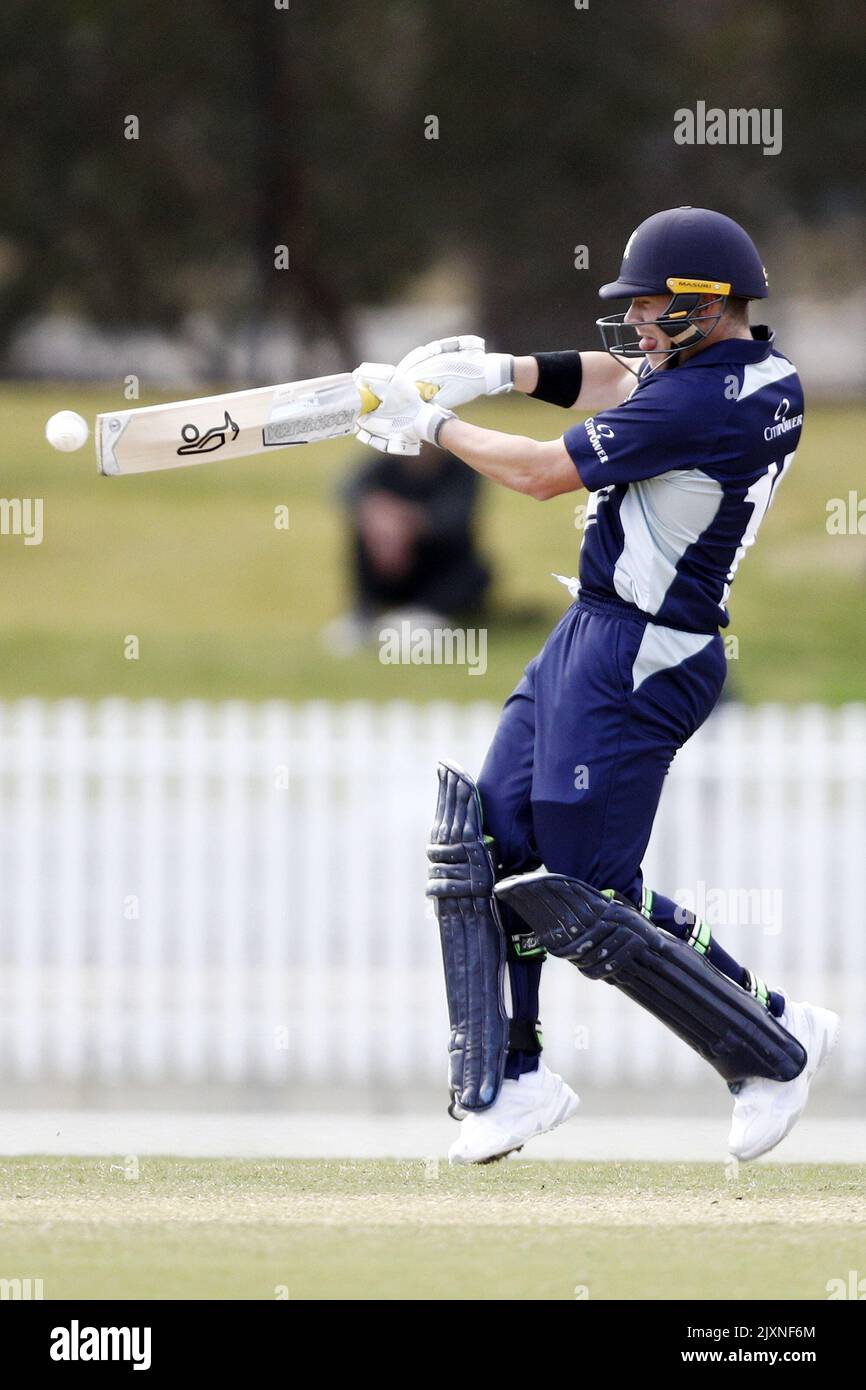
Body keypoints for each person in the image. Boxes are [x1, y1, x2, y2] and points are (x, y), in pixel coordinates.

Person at [354, 207, 839, 1164]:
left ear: (708, 306)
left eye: (655, 308)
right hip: (598, 628)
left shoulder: (708, 404)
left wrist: (434, 422)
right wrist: (501, 371)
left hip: (646, 652)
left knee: (583, 894)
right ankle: (516, 1079)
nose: (641, 326)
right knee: (485, 841)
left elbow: (540, 476)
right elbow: (620, 376)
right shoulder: (748, 372)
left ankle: (775, 1042)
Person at [321, 444, 490, 654]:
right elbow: (347, 489)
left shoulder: (460, 469)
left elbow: (456, 519)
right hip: (392, 569)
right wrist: (378, 516)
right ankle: (365, 614)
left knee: (476, 571)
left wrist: (405, 524)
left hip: (441, 568)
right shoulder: (386, 463)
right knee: (363, 534)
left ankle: (427, 614)